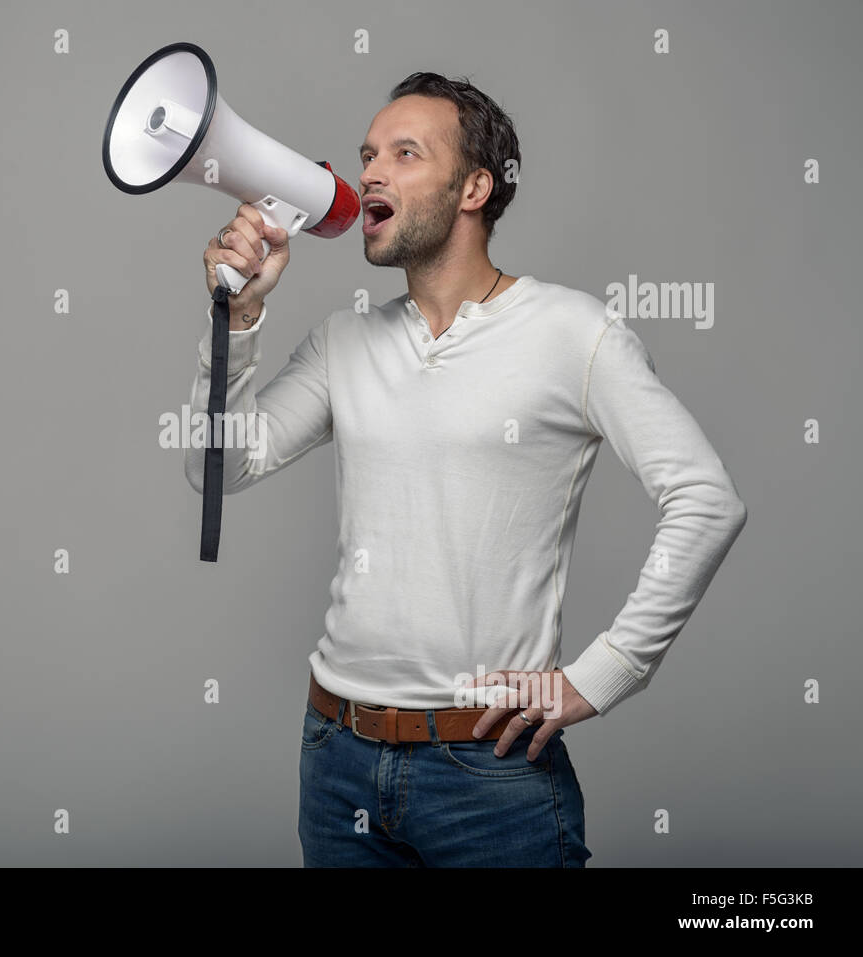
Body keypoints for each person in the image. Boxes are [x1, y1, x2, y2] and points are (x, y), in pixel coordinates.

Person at [184, 72, 748, 867]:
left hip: (487, 773)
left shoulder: (573, 332)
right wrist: (239, 319)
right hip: (336, 757)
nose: (370, 172)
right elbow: (221, 468)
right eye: (367, 154)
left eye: (404, 153)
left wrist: (604, 673)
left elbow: (705, 499)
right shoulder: (345, 342)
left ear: (475, 187)